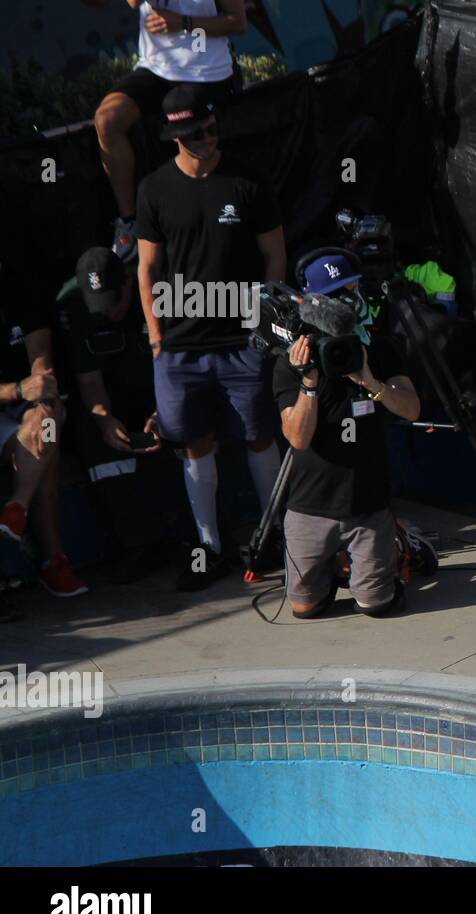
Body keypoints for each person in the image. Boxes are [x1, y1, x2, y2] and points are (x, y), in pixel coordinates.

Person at [136, 84, 286, 590]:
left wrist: (265, 324)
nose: (206, 139)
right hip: (179, 346)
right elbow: (147, 269)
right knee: (194, 444)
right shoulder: (154, 189)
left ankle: (276, 539)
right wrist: (157, 339)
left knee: (259, 434)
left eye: (210, 128)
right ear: (175, 136)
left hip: (244, 339)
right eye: (194, 133)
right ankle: (210, 548)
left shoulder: (247, 179)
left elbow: (275, 256)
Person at [273, 256, 421, 619]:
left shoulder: (379, 349)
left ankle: (399, 544)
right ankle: (334, 563)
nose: (347, 300)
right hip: (311, 502)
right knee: (305, 609)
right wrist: (309, 382)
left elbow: (412, 409)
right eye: (335, 295)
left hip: (366, 501)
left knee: (376, 606)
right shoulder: (291, 362)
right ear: (314, 304)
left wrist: (371, 382)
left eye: (350, 289)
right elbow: (297, 439)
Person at [95, 0, 247, 262]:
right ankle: (130, 223)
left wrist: (184, 24)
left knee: (193, 133)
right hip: (155, 69)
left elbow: (237, 21)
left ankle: (217, 230)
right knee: (107, 120)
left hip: (206, 72)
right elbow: (133, 3)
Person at [59, 247, 176, 584]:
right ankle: (141, 544)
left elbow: (176, 367)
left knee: (186, 422)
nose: (109, 312)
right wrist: (104, 419)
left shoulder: (160, 293)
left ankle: (199, 539)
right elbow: (89, 382)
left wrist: (161, 411)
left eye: (114, 301)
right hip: (112, 399)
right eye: (101, 305)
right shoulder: (75, 310)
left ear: (129, 281)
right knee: (92, 437)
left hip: (163, 391)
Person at [0, 265, 87, 598]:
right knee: (46, 453)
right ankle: (52, 559)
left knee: (50, 423)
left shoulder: (18, 289)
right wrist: (19, 391)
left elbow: (40, 357)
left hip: (23, 413)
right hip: (10, 400)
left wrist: (44, 400)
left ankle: (17, 510)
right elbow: (19, 389)